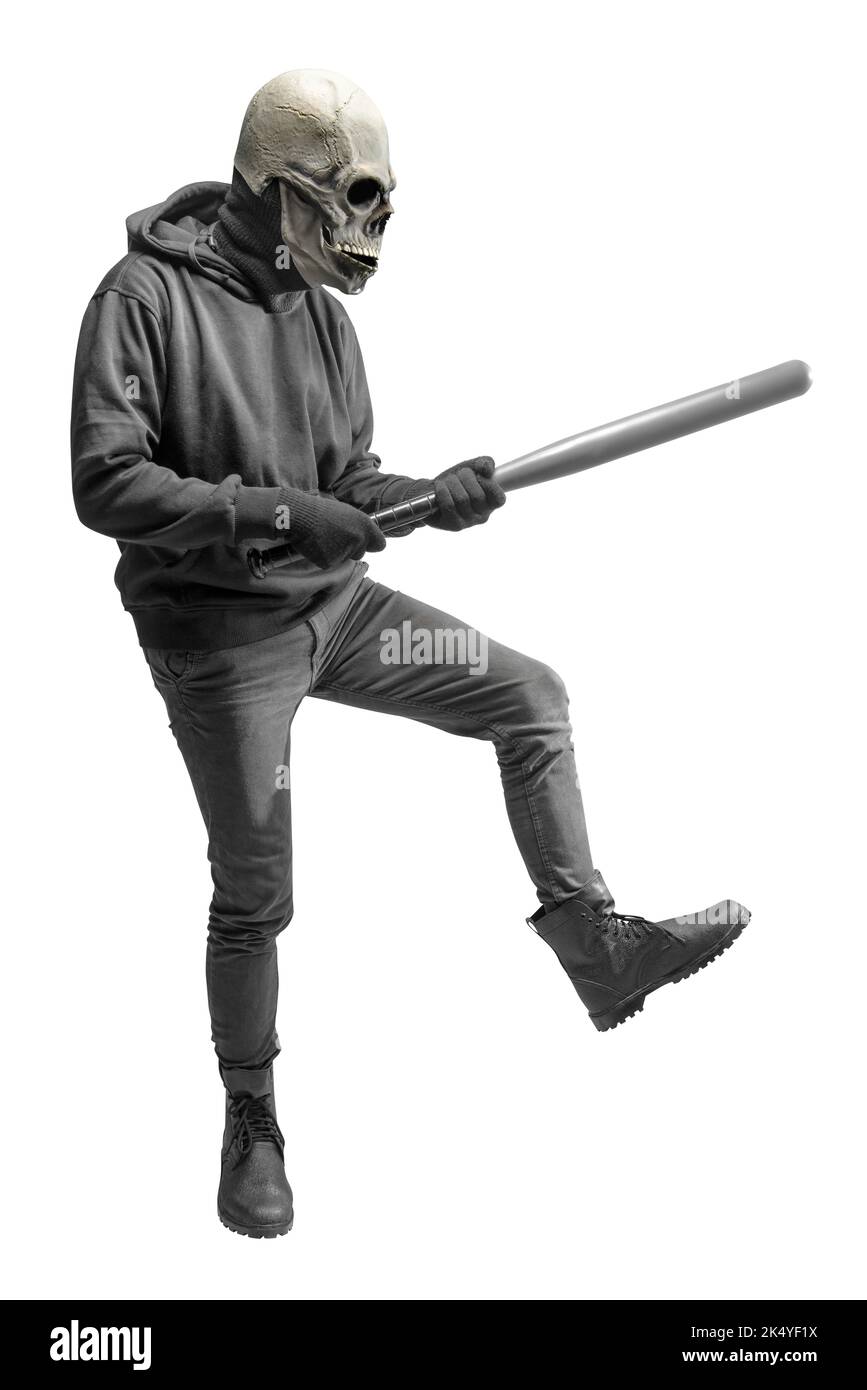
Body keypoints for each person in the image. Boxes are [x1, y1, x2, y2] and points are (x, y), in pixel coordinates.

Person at [71, 70, 749, 1239]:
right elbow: (106, 482)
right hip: (225, 646)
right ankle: (251, 1115)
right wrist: (282, 516)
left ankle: (595, 944)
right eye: (349, 200)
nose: (367, 233)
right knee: (258, 890)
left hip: (339, 612)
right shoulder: (142, 300)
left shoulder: (326, 320)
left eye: (380, 205)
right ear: (269, 187)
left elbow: (347, 491)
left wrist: (432, 495)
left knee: (528, 692)